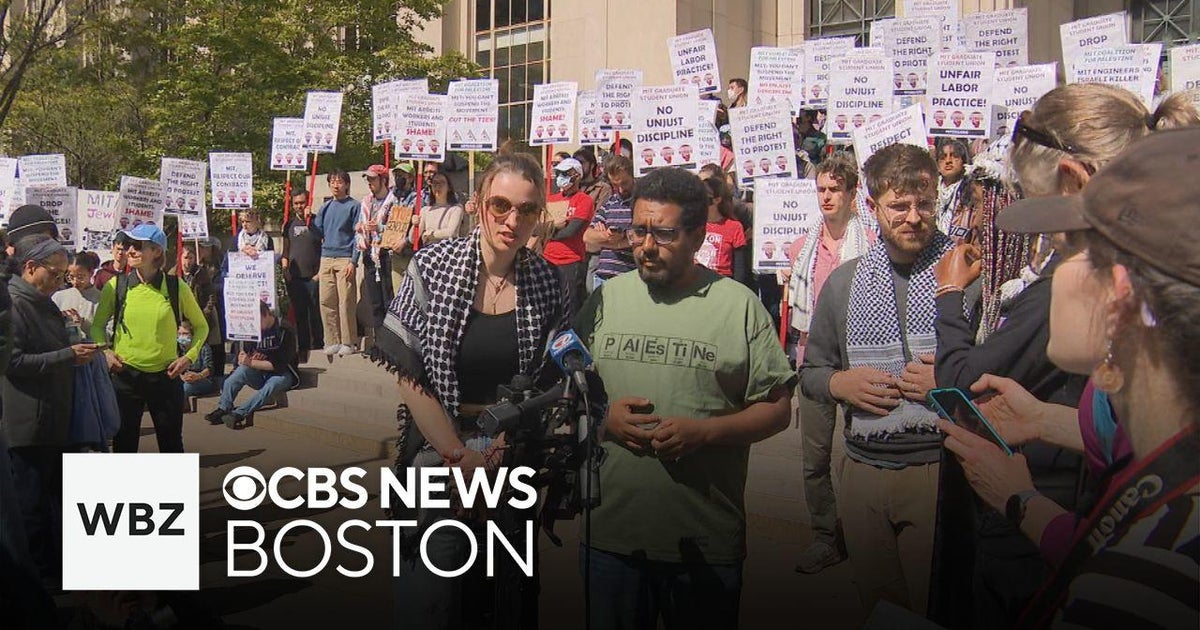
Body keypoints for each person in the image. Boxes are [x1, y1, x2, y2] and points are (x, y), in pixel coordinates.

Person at [944, 128, 1200, 629]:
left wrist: (1021, 503)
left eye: (1072, 245)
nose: (1050, 263)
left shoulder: (1136, 585)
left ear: (1118, 294)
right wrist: (1045, 419)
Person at [575, 167, 795, 629]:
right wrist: (603, 422)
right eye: (638, 230)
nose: (646, 246)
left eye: (664, 233)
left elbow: (778, 409)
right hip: (612, 539)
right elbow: (568, 398)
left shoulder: (738, 306)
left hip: (704, 544)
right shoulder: (603, 301)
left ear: (698, 237)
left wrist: (708, 432)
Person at [375, 153, 571, 628]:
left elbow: (549, 382)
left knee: (507, 596)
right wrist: (459, 456)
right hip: (440, 451)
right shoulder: (433, 265)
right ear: (479, 204)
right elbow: (409, 373)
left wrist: (502, 446)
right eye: (501, 205)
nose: (512, 219)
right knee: (433, 597)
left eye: (526, 210)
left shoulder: (549, 281)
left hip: (512, 455)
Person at [799, 143, 951, 616]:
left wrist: (947, 381)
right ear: (872, 207)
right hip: (863, 473)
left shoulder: (964, 275)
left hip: (940, 471)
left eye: (924, 204)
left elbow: (999, 371)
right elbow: (813, 371)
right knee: (881, 610)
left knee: (938, 607)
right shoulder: (844, 283)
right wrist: (839, 385)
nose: (913, 218)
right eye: (899, 206)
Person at [782, 155, 876, 575]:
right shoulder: (802, 247)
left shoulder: (872, 245)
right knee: (814, 458)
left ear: (853, 194)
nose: (826, 197)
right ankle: (824, 536)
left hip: (861, 357)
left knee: (863, 452)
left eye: (835, 189)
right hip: (815, 362)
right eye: (821, 189)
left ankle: (867, 533)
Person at [3, 235, 96, 590]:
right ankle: (41, 582)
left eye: (63, 276)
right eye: (56, 275)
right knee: (33, 506)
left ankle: (56, 571)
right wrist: (68, 356)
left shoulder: (40, 299)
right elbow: (13, 362)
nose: (61, 283)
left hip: (52, 417)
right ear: (30, 268)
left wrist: (71, 338)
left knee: (53, 500)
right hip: (29, 423)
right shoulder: (14, 303)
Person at [91, 225, 209, 453]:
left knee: (171, 444)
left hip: (166, 377)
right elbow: (97, 326)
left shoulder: (176, 286)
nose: (130, 251)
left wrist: (188, 358)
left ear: (156, 251)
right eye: (128, 246)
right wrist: (105, 352)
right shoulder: (116, 286)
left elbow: (202, 327)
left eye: (137, 246)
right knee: (124, 445)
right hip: (125, 377)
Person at [204, 302, 297, 430]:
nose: (255, 326)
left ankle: (239, 413)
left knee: (273, 384)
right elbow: (248, 354)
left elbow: (279, 364)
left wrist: (252, 362)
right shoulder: (252, 330)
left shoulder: (284, 329)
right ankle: (223, 408)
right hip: (259, 372)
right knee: (239, 373)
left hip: (282, 373)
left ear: (265, 314)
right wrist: (247, 358)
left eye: (257, 321)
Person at [311, 170, 361, 358]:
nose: (335, 184)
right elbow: (318, 233)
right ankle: (332, 340)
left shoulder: (354, 206)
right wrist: (309, 220)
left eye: (339, 181)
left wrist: (353, 261)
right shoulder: (325, 207)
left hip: (345, 258)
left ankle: (349, 341)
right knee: (326, 301)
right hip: (326, 258)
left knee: (346, 301)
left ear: (347, 184)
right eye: (332, 181)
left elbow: (359, 235)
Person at [544, 157, 596, 314]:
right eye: (559, 173)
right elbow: (539, 226)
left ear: (577, 176)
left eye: (566, 173)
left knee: (569, 308)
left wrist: (548, 231)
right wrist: (554, 228)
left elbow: (571, 231)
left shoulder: (584, 200)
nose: (561, 176)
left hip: (570, 261)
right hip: (547, 259)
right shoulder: (551, 200)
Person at [281, 188, 324, 359]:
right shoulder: (288, 225)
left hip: (313, 276)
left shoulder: (317, 222)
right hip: (294, 277)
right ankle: (304, 347)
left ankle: (319, 345)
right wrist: (285, 269)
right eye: (296, 203)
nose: (299, 206)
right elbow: (285, 250)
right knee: (300, 314)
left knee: (315, 313)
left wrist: (319, 273)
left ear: (308, 202)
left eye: (302, 202)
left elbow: (324, 245)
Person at [358, 164, 397, 350]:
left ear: (383, 180)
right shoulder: (366, 202)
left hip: (386, 254)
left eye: (373, 179)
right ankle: (379, 342)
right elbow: (361, 224)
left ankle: (390, 343)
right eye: (368, 179)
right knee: (374, 301)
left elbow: (398, 227)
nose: (370, 183)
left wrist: (379, 228)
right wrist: (360, 230)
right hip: (369, 254)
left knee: (388, 299)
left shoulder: (394, 201)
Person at [584, 155, 637, 290]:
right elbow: (587, 236)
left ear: (632, 176)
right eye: (615, 185)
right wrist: (607, 236)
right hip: (603, 278)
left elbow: (640, 236)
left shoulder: (641, 203)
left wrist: (618, 241)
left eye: (624, 183)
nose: (620, 189)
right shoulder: (610, 202)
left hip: (629, 276)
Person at [695, 173, 749, 285]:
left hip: (721, 282)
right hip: (696, 281)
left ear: (717, 200)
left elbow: (739, 268)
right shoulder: (693, 223)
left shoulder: (734, 227)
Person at [54, 250, 103, 337]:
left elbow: (108, 335)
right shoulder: (59, 297)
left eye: (80, 277)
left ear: (91, 273)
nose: (75, 282)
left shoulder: (102, 299)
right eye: (71, 277)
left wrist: (83, 323)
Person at [934, 139, 971, 238]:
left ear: (964, 161)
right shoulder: (931, 190)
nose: (948, 161)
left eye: (954, 156)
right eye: (943, 157)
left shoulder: (970, 192)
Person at [417, 171, 465, 246]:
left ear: (449, 187)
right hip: (428, 251)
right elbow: (413, 239)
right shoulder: (425, 210)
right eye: (435, 183)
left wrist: (431, 234)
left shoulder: (456, 208)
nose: (437, 186)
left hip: (447, 251)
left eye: (442, 183)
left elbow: (451, 232)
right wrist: (415, 225)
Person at [178, 320, 216, 398]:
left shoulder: (204, 347)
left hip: (202, 378)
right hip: (183, 377)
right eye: (179, 334)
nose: (182, 336)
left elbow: (209, 368)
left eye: (185, 333)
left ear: (193, 335)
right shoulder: (177, 349)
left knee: (185, 388)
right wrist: (182, 377)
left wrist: (198, 376)